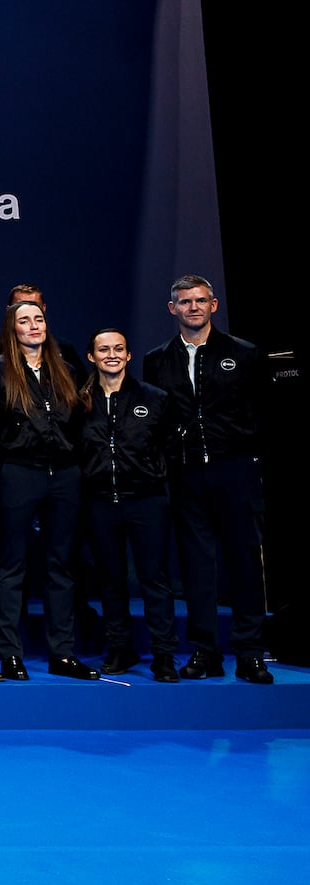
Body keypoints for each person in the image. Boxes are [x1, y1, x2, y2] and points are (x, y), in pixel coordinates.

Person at [141, 274, 272, 684]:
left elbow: (262, 411)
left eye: (200, 300)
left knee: (244, 561)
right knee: (197, 567)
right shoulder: (157, 360)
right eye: (185, 302)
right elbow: (158, 419)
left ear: (213, 305)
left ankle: (250, 653)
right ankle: (205, 651)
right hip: (185, 474)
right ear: (172, 309)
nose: (193, 307)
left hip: (235, 470)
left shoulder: (244, 353)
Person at [0, 300, 97, 680]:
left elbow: (78, 425)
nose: (34, 326)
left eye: (39, 319)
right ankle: (10, 654)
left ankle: (62, 654)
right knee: (10, 565)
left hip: (64, 475)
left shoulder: (65, 370)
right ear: (12, 329)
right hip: (19, 473)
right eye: (25, 320)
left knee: (60, 565)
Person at [80, 327, 180, 682]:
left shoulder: (154, 397)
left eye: (118, 349)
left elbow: (170, 448)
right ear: (91, 356)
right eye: (104, 349)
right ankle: (120, 648)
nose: (112, 355)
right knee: (111, 580)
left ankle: (164, 655)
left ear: (128, 355)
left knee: (154, 579)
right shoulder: (79, 402)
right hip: (100, 502)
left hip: (146, 500)